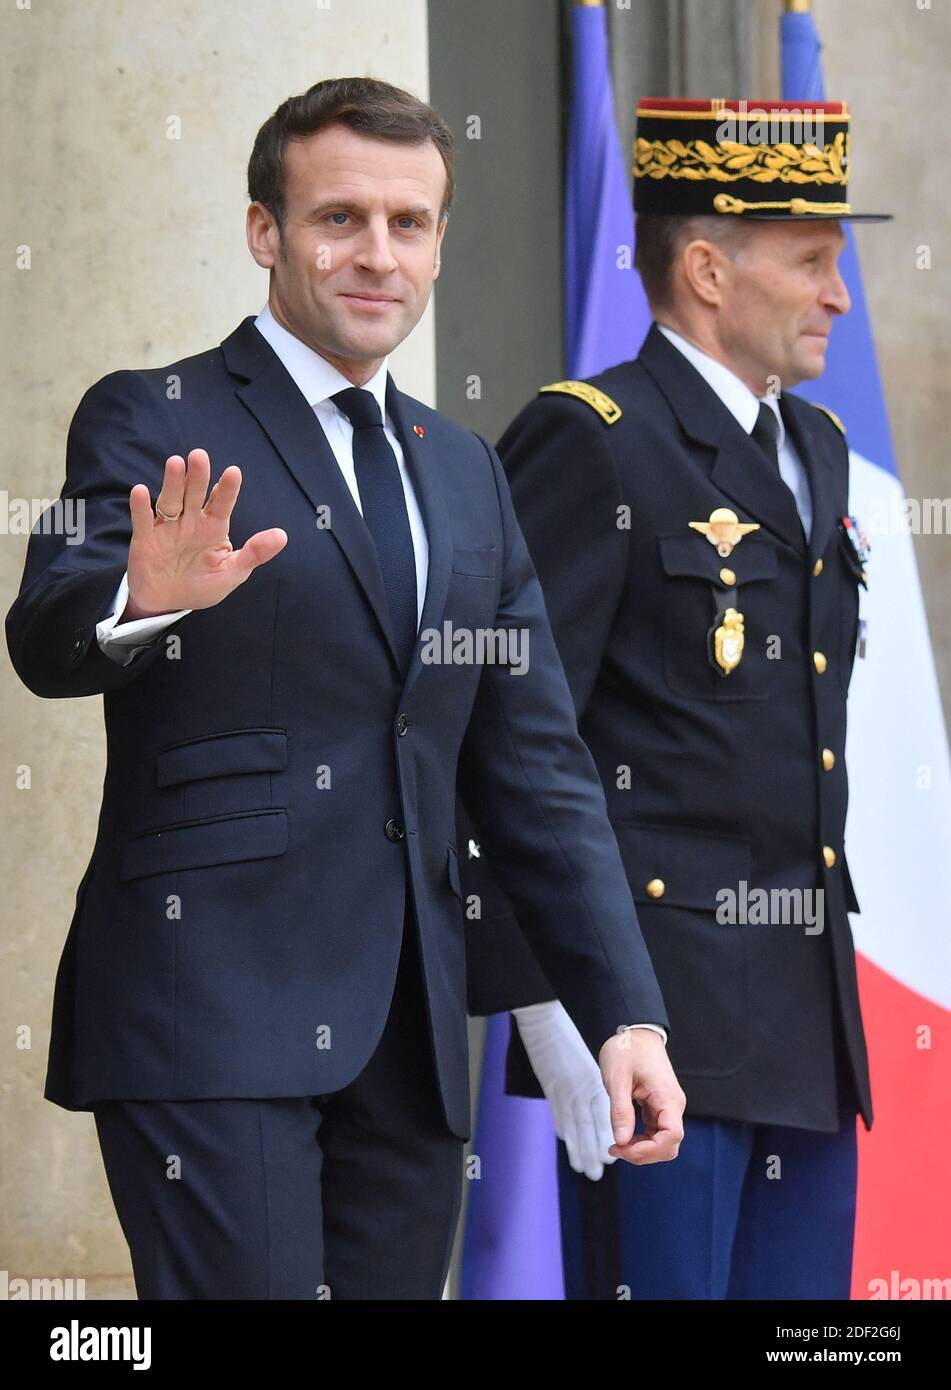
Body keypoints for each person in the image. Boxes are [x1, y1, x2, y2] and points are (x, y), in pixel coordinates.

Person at [5, 77, 685, 1301]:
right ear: (266, 232)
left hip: (411, 1038)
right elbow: (49, 637)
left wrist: (625, 1012)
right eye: (339, 219)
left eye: (409, 223)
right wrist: (141, 597)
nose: (378, 254)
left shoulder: (465, 470)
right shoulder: (151, 413)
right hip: (210, 1010)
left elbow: (535, 768)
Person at [462, 98, 890, 1300]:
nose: (839, 298)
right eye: (813, 263)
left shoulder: (818, 447)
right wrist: (551, 1011)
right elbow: (501, 734)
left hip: (807, 1027)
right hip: (653, 1025)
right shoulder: (593, 440)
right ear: (707, 268)